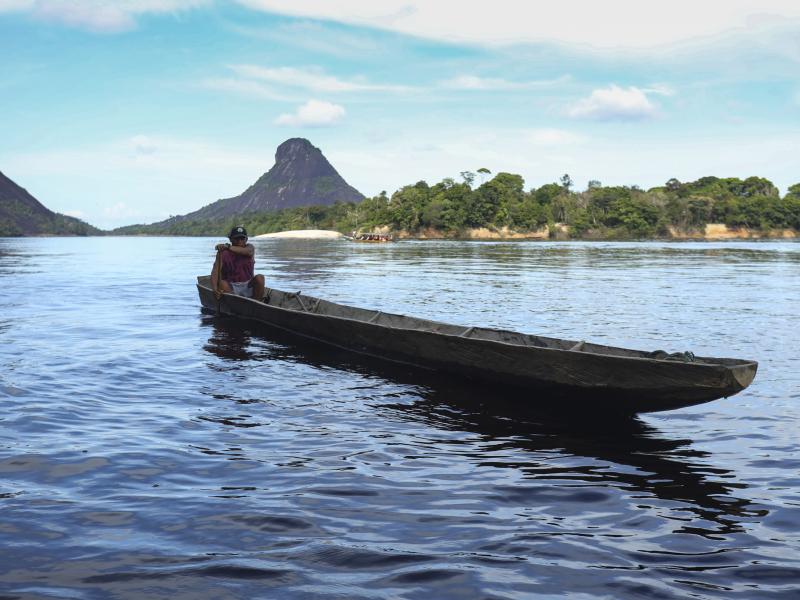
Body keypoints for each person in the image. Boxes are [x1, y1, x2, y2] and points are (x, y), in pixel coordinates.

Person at [211, 226, 265, 300]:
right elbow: (215, 271)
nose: (239, 241)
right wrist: (214, 289)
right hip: (231, 286)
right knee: (221, 283)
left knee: (260, 278)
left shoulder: (250, 248)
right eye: (236, 239)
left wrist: (227, 246)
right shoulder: (223, 253)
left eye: (242, 239)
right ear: (230, 239)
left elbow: (247, 251)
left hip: (248, 285)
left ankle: (256, 302)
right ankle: (234, 302)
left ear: (246, 239)